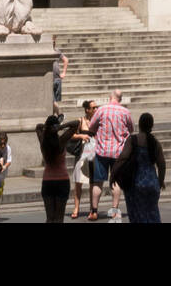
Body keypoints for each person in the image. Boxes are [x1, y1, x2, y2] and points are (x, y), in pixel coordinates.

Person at [85, 89, 134, 221]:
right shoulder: (125, 112)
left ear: (110, 97)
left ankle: (94, 211)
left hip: (102, 151)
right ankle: (114, 211)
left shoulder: (101, 110)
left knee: (98, 182)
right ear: (120, 99)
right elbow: (131, 129)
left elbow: (92, 128)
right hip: (118, 152)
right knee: (116, 182)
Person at [113, 113, 166, 224]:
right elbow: (162, 165)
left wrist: (113, 174)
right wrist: (160, 181)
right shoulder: (155, 143)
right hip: (152, 182)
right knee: (152, 213)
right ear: (151, 125)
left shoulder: (133, 140)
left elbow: (122, 158)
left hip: (135, 182)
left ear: (140, 125)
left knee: (137, 215)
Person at [36, 114, 80, 223]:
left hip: (48, 181)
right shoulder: (61, 141)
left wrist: (47, 127)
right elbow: (76, 124)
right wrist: (60, 127)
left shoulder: (43, 141)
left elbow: (38, 127)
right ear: (56, 127)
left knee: (50, 218)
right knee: (59, 219)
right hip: (62, 181)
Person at [71, 100, 97, 219]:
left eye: (96, 107)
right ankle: (76, 207)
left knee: (93, 183)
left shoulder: (97, 122)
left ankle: (92, 208)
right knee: (78, 183)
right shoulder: (80, 121)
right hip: (81, 155)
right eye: (93, 108)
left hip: (92, 156)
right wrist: (81, 135)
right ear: (87, 110)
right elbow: (71, 135)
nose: (96, 109)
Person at [52, 39, 69, 116]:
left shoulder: (57, 51)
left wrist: (64, 73)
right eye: (52, 42)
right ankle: (60, 115)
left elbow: (66, 60)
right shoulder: (46, 50)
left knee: (54, 100)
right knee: (52, 100)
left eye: (54, 42)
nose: (53, 43)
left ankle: (56, 118)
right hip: (50, 79)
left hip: (57, 79)